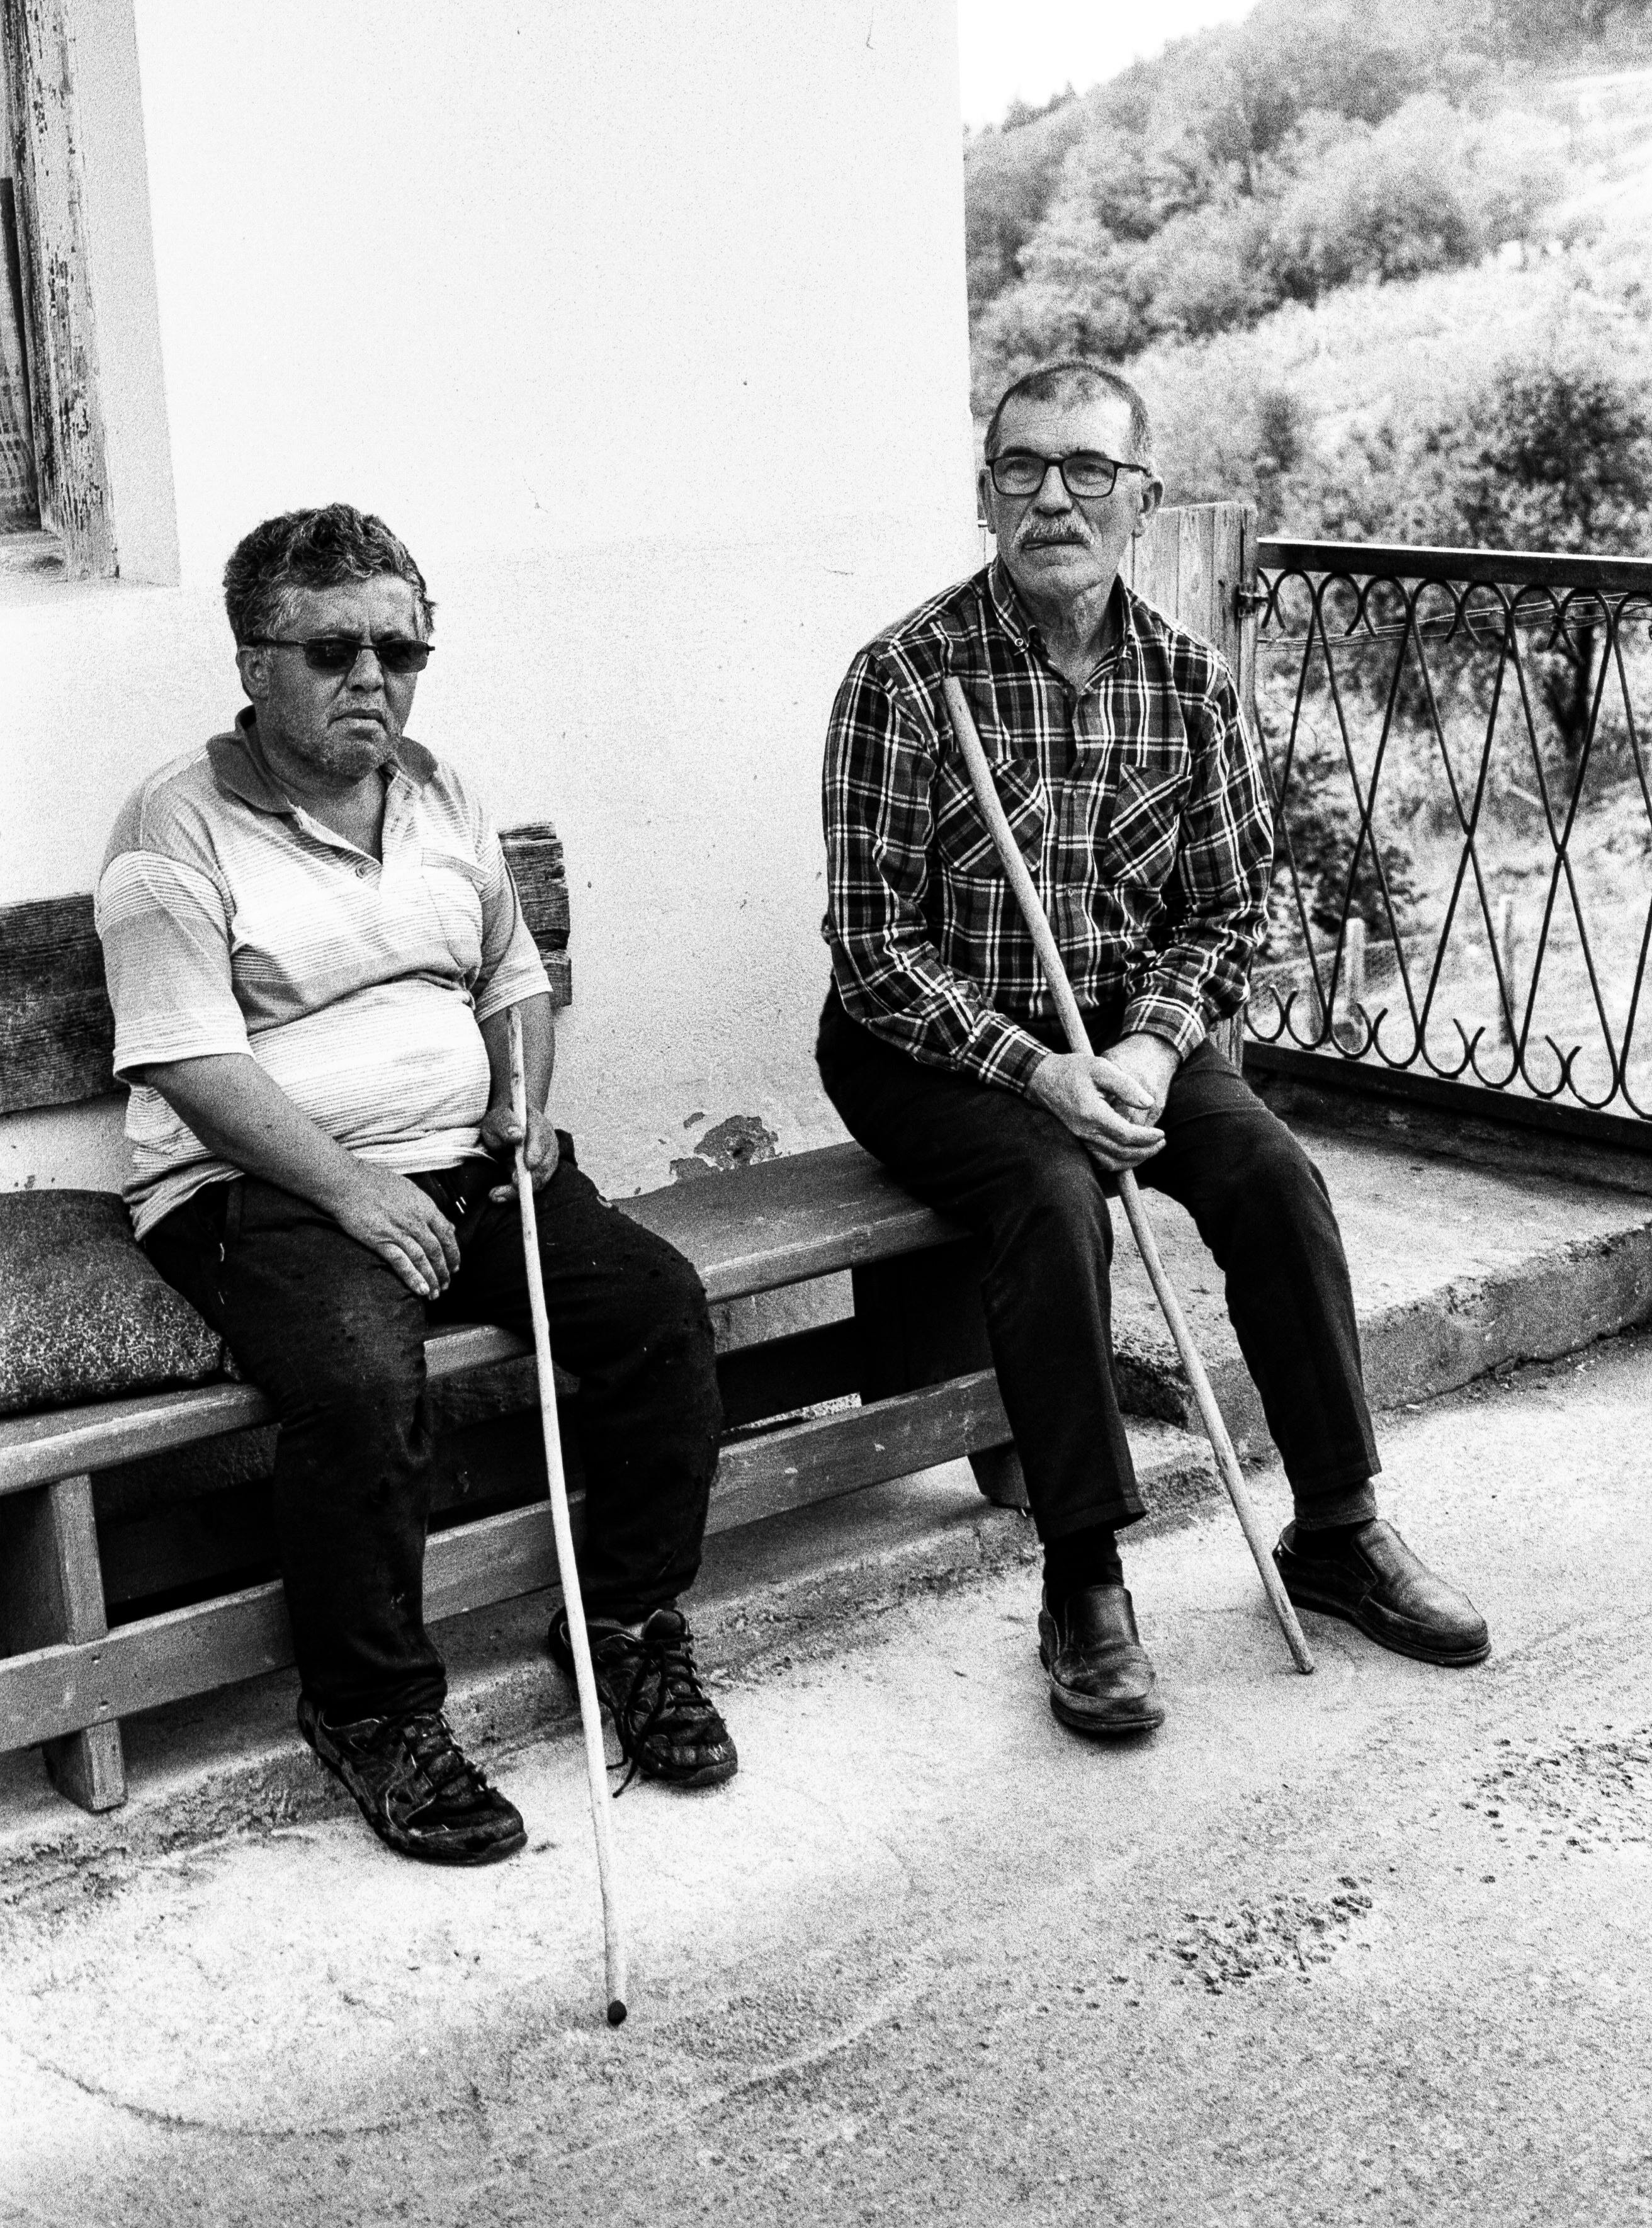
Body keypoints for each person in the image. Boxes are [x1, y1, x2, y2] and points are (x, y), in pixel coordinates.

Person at [817, 361, 1488, 1737]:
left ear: (1142, 499)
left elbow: (1224, 913)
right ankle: (1085, 1579)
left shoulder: (1187, 680)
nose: (1050, 496)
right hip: (937, 1051)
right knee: (1053, 1197)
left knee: (1272, 1179)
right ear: (984, 490)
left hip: (1133, 1042)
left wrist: (1143, 1050)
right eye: (1020, 468)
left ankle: (1337, 1528)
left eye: (1086, 471)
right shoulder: (902, 677)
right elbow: (876, 954)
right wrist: (1041, 1072)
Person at [96, 504, 736, 1863]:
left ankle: (620, 1621)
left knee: (654, 1310)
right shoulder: (176, 820)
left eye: (401, 647)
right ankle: (374, 1711)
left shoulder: (442, 792)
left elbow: (510, 975)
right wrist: (351, 1191)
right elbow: (190, 1060)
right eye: (333, 649)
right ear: (254, 660)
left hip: (467, 1159)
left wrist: (522, 1102)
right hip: (252, 1182)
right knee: (360, 1376)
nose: (371, 678)